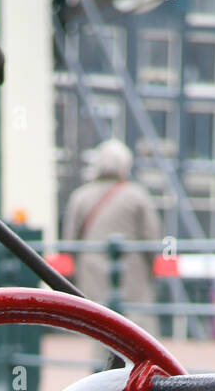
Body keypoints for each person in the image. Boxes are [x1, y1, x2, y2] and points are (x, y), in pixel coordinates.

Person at [62, 139, 161, 334]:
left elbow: (69, 241)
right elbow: (152, 240)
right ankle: (137, 363)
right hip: (132, 270)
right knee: (136, 323)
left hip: (91, 269)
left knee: (101, 322)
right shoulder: (137, 196)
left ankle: (103, 363)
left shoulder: (80, 196)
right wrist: (151, 268)